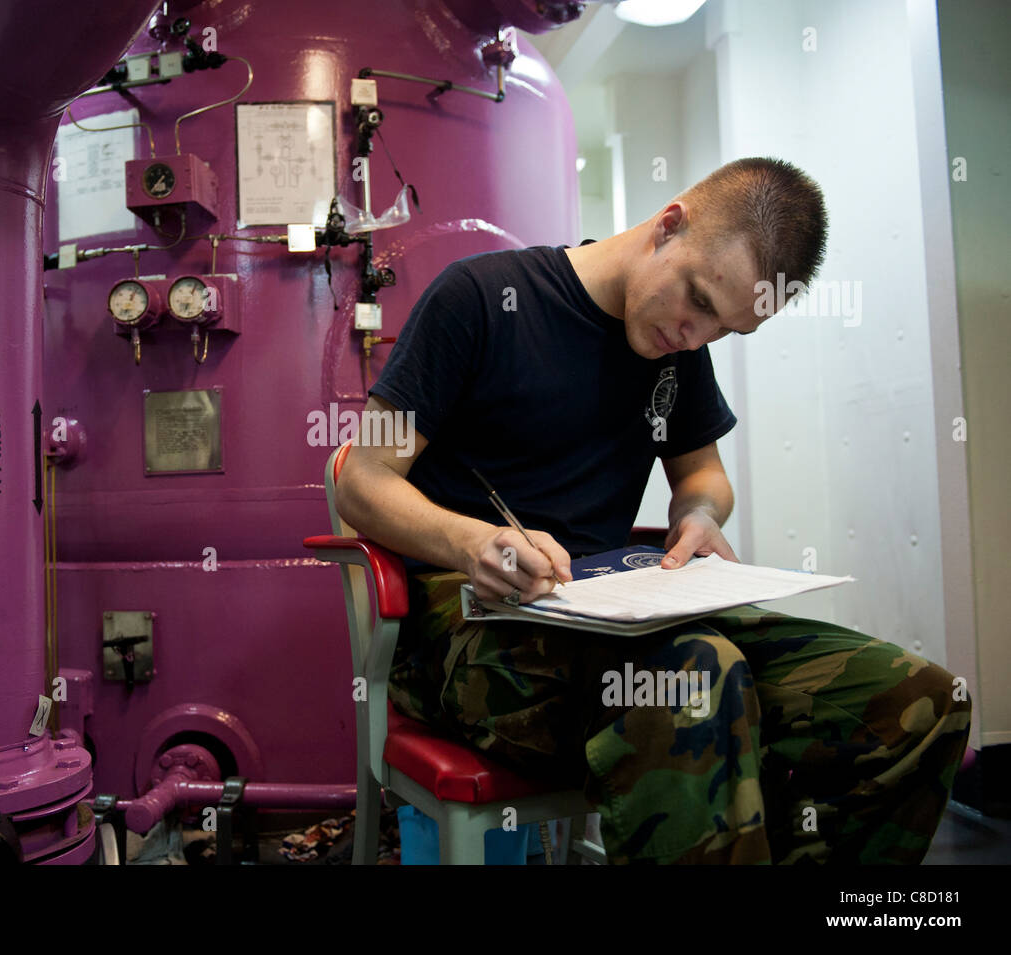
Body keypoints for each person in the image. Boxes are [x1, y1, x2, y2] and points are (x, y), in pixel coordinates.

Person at [333, 157, 972, 864]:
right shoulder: (480, 297)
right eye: (697, 302)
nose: (695, 336)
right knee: (697, 670)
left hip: (623, 613)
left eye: (724, 330)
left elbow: (703, 476)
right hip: (473, 625)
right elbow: (362, 478)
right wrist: (472, 540)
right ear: (669, 225)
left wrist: (699, 514)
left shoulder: (677, 345)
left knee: (919, 700)